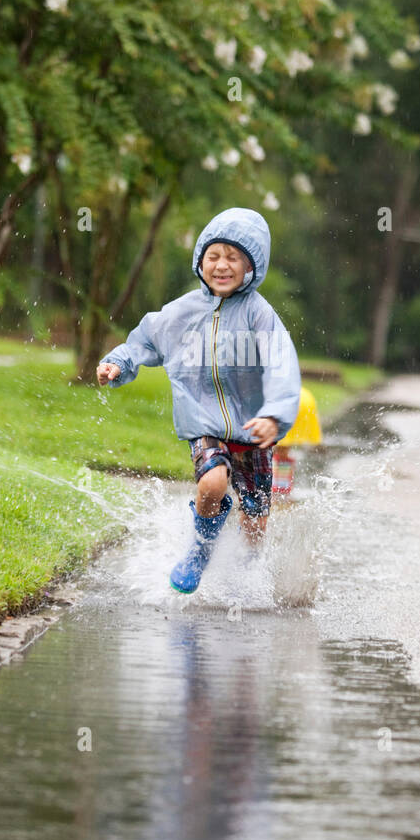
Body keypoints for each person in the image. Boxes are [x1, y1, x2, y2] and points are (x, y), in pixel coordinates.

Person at [96, 207, 301, 594]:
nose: (222, 266)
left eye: (233, 257)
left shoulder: (260, 315)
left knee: (255, 524)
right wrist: (117, 363)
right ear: (200, 261)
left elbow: (281, 364)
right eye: (214, 256)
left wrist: (275, 416)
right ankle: (201, 549)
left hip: (254, 430)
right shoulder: (181, 313)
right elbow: (144, 341)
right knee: (212, 485)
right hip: (204, 425)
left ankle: (245, 576)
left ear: (252, 266)